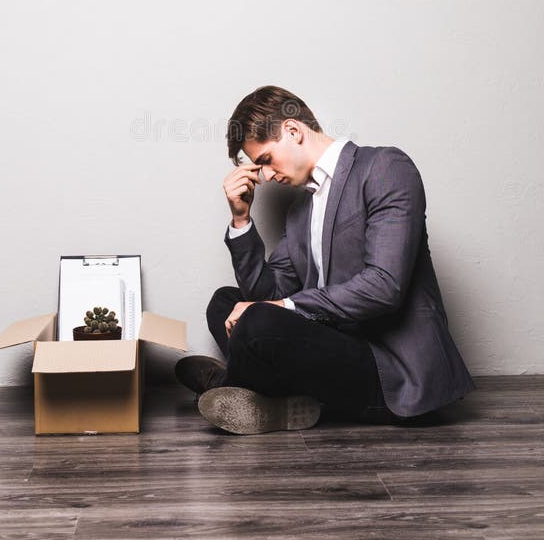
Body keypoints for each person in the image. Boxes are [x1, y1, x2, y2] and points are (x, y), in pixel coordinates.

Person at [175, 85, 476, 435]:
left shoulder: (384, 167)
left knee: (256, 319)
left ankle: (228, 384)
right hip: (329, 349)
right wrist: (241, 219)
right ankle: (271, 397)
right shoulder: (300, 209)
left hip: (389, 367)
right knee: (226, 302)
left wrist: (281, 307)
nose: (267, 177)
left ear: (293, 130)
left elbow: (384, 287)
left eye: (266, 161)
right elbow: (267, 291)